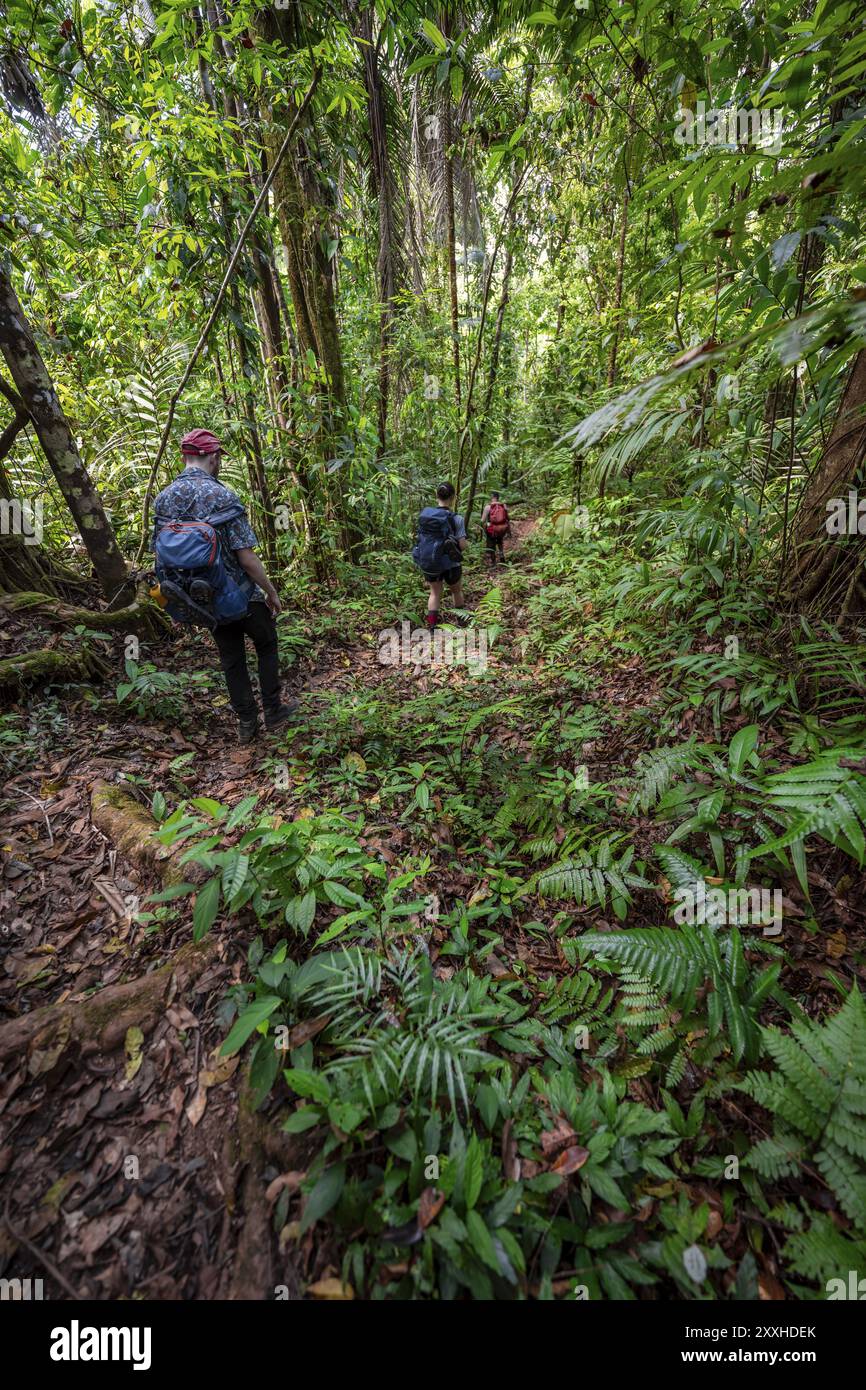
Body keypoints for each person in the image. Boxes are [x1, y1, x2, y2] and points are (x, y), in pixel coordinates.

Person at [153, 428, 294, 743]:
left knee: (231, 659)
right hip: (240, 593)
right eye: (219, 457)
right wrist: (271, 592)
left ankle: (246, 723)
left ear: (184, 457)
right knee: (267, 642)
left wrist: (174, 605)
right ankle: (273, 710)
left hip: (202, 597)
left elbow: (160, 557)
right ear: (213, 457)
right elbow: (246, 558)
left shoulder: (163, 499)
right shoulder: (222, 495)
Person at [412, 482, 468, 629]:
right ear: (453, 497)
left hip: (430, 561)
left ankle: (432, 627)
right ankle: (461, 623)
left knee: (434, 593)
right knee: (456, 591)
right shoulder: (457, 519)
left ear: (436, 496)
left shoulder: (426, 516)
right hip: (451, 564)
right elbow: (462, 546)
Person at [480, 491, 511, 567]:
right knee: (500, 541)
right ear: (498, 497)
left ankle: (493, 561)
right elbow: (508, 518)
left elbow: (482, 520)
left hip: (491, 529)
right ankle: (501, 557)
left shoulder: (488, 507)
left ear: (492, 497)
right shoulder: (503, 506)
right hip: (502, 528)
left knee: (491, 544)